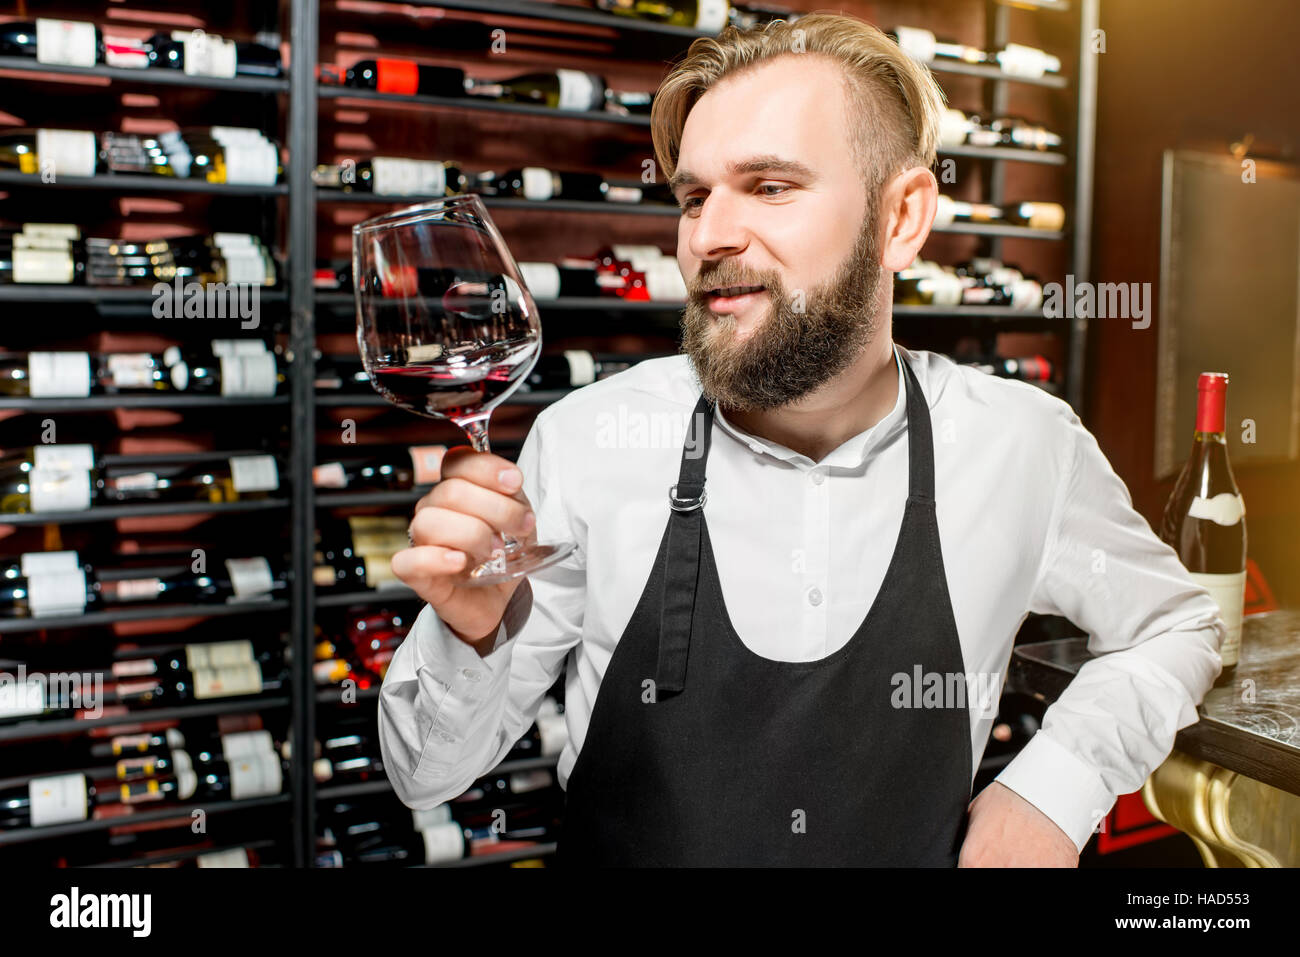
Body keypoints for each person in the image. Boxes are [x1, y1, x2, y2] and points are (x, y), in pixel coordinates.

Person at [377, 12, 1224, 866]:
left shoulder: (1020, 446)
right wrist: (471, 636)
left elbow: (1178, 625)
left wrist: (1050, 791)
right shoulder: (591, 443)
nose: (708, 236)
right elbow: (426, 776)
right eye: (696, 197)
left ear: (901, 218)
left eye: (771, 186)